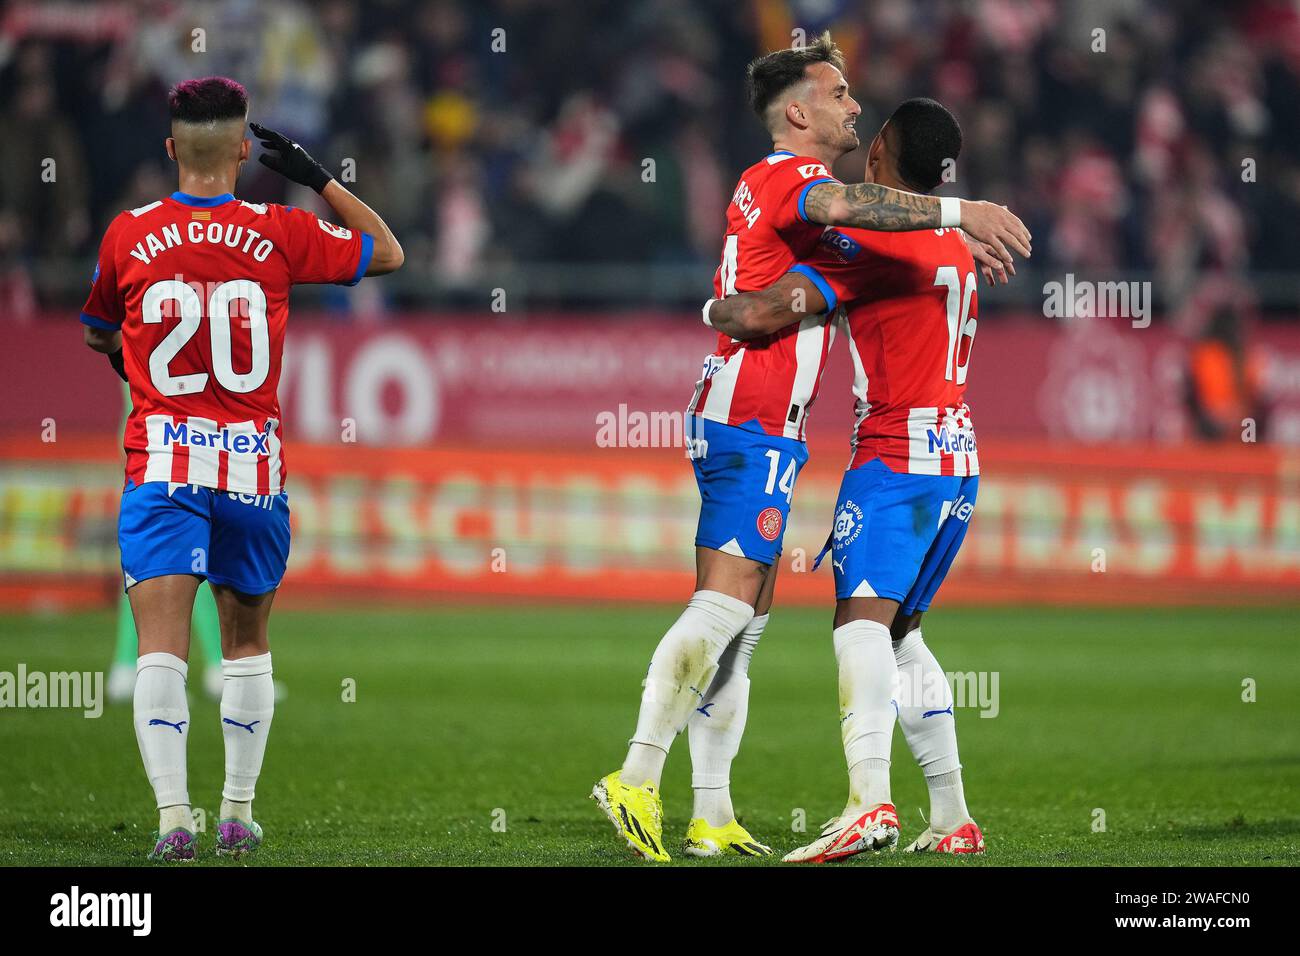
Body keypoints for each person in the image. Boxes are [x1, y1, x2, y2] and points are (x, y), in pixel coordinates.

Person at [592, 33, 1028, 862]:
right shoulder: (797, 180)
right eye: (837, 93)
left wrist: (726, 308)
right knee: (730, 609)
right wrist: (955, 216)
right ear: (797, 111)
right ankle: (637, 776)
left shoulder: (824, 208)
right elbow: (825, 235)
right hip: (762, 419)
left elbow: (788, 283)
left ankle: (713, 812)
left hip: (802, 432)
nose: (852, 106)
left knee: (750, 630)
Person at [80, 75, 403, 861]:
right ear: (242, 147)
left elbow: (97, 330)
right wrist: (319, 177)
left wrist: (141, 377)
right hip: (251, 471)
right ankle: (236, 812)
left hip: (162, 461)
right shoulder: (282, 229)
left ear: (170, 149)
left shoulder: (128, 234)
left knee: (161, 645)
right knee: (246, 644)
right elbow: (389, 252)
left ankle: (172, 820)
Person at [706, 97, 990, 862]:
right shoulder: (957, 243)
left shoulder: (867, 243)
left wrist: (719, 305)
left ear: (878, 162)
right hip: (959, 460)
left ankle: (870, 801)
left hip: (896, 458)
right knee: (902, 635)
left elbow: (763, 314)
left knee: (860, 626)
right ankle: (953, 813)